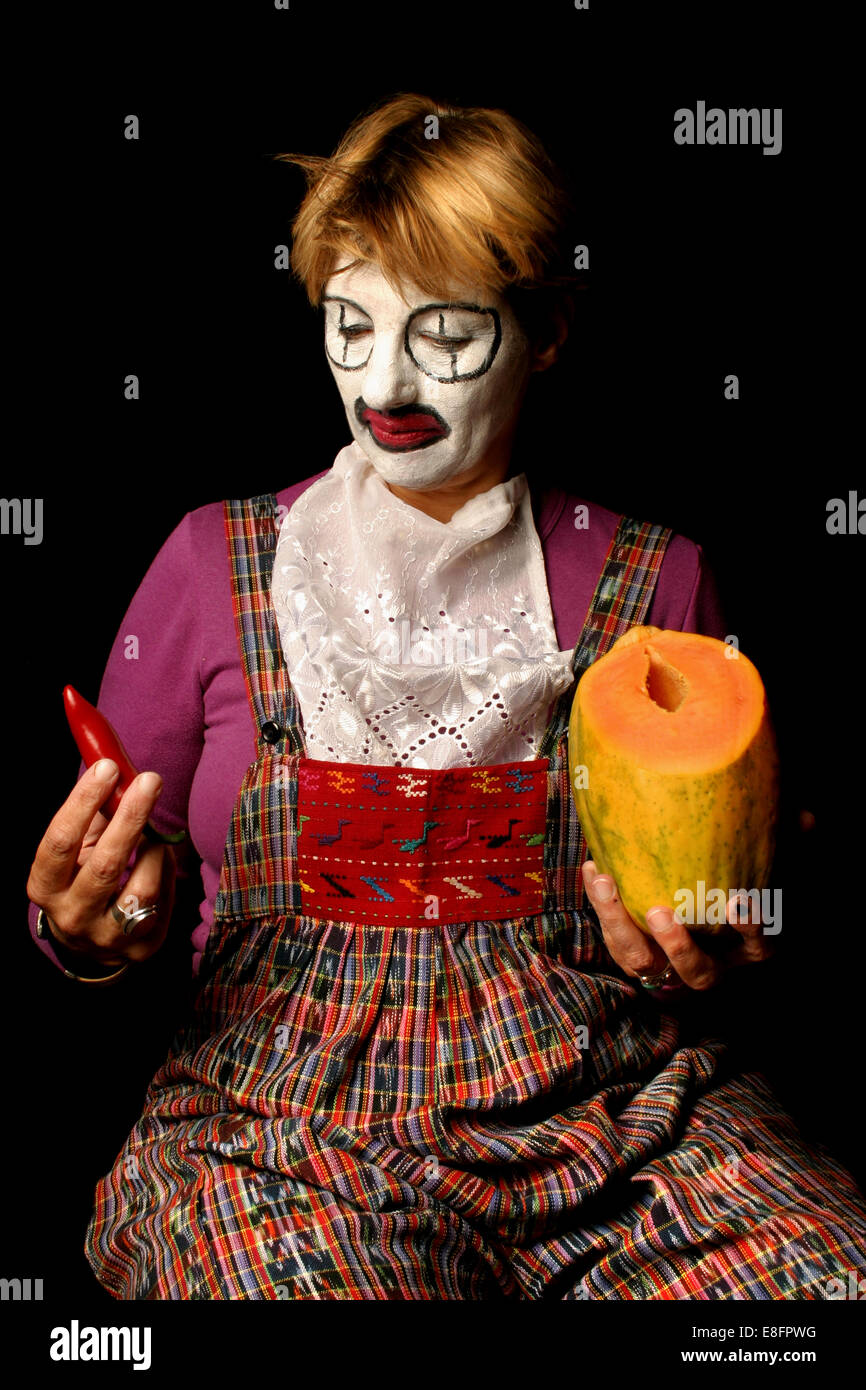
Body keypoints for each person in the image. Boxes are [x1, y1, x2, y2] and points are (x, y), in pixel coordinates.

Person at [25, 93, 866, 1300]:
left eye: (445, 334)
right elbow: (112, 890)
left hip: (623, 1125)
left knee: (823, 1283)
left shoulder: (658, 577)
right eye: (349, 325)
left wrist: (739, 923)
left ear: (549, 328)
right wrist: (86, 930)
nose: (385, 379)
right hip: (280, 1140)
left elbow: (754, 889)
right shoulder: (209, 560)